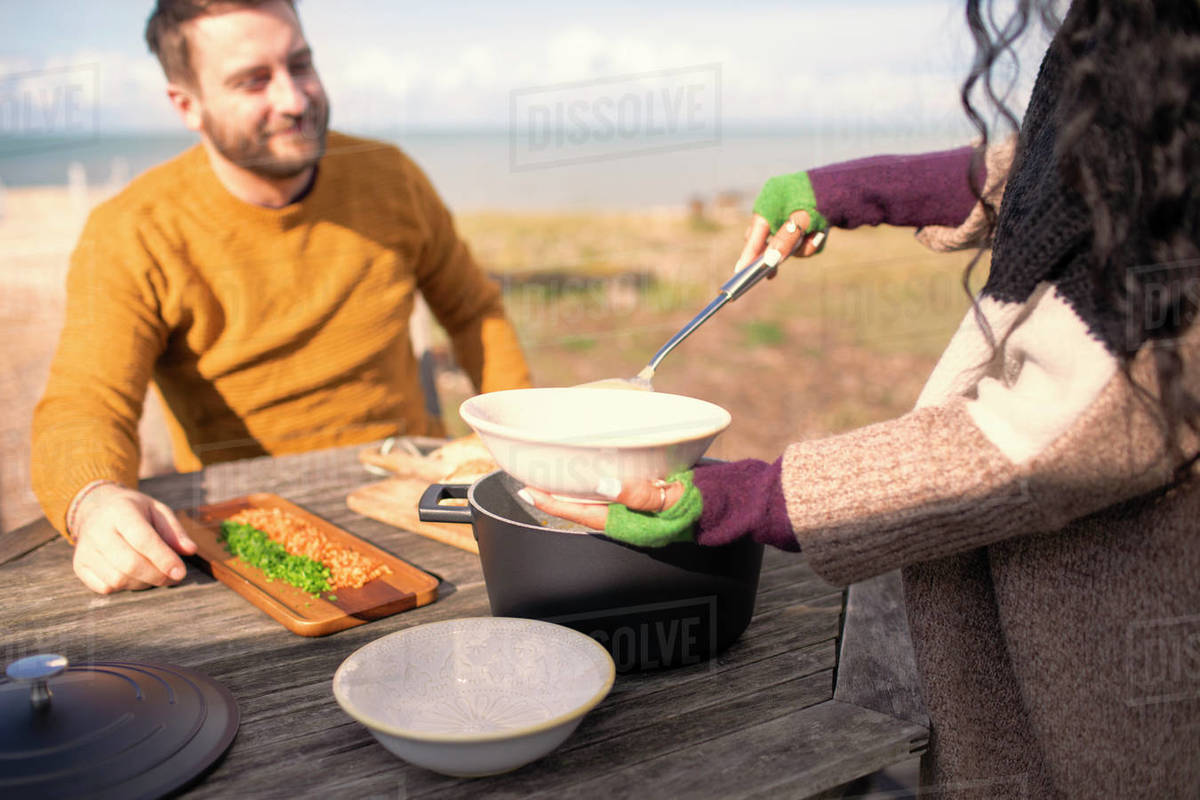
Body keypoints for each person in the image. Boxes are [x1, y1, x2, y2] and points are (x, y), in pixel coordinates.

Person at [526, 0, 1200, 795]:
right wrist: (863, 190)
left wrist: (753, 498)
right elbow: (1087, 164)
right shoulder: (1138, 27)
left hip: (1110, 672)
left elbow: (1049, 434)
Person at [31, 0, 531, 595]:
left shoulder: (390, 176)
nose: (294, 99)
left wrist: (524, 438)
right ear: (186, 105)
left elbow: (474, 312)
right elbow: (84, 401)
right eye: (253, 81)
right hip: (254, 533)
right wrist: (95, 500)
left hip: (414, 494)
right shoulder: (133, 230)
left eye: (300, 64)